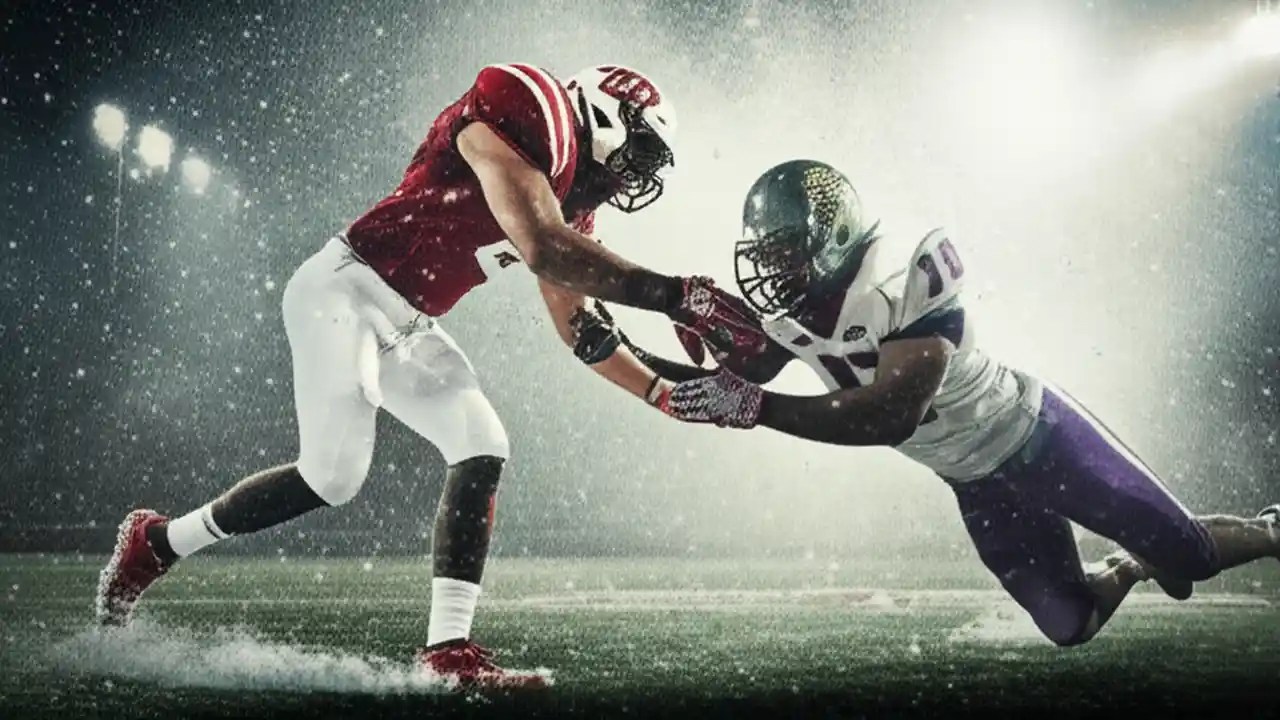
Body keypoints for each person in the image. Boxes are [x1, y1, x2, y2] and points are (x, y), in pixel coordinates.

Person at [95, 63, 761, 689]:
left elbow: (581, 330)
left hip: (407, 319)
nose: (633, 175)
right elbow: (541, 246)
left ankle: (448, 651)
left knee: (482, 441)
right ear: (605, 113)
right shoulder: (526, 104)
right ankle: (157, 542)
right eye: (637, 152)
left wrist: (663, 395)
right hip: (345, 288)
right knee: (335, 476)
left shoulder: (573, 205)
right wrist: (682, 298)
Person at [632, 159, 1280, 646]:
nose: (774, 274)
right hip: (976, 482)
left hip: (1038, 437)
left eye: (785, 254)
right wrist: (620, 345)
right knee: (1069, 625)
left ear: (831, 238)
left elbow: (891, 415)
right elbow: (742, 373)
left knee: (1192, 554)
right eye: (766, 256)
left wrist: (757, 407)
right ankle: (1130, 563)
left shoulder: (898, 274)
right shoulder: (792, 311)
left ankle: (1273, 529)